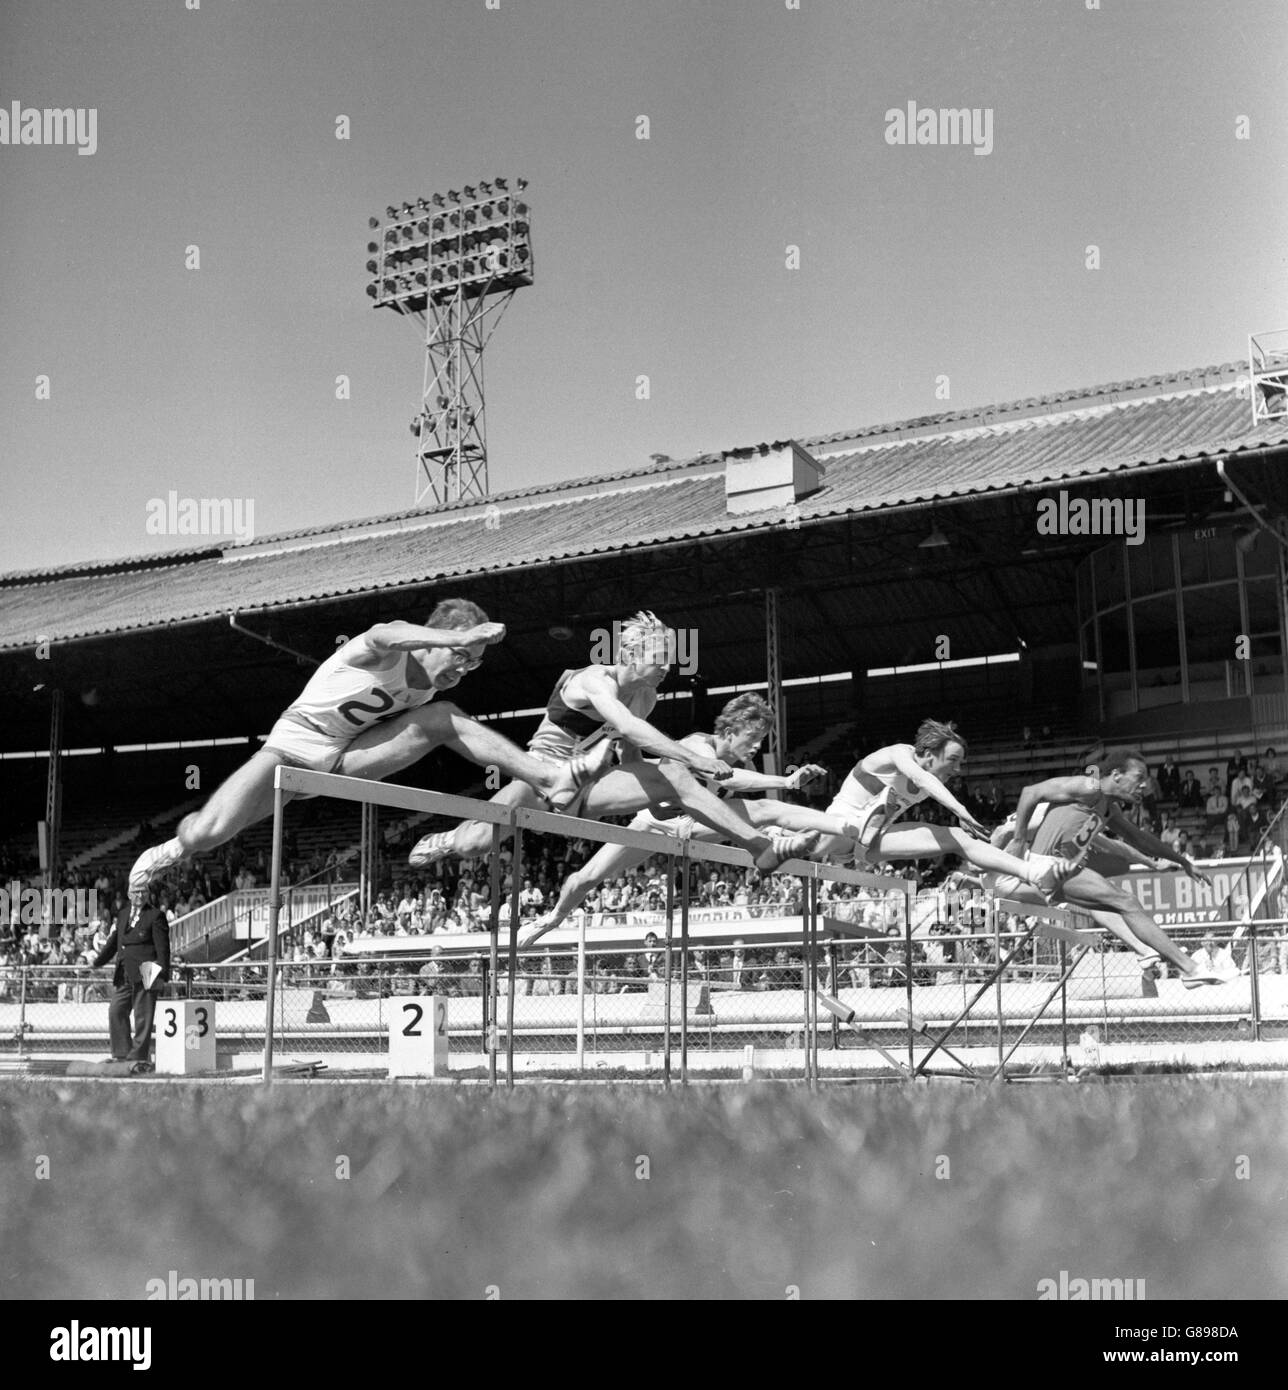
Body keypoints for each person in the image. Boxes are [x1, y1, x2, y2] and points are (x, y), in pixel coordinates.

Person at [126, 599, 604, 895]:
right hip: (291, 747)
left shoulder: (431, 689)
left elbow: (427, 717)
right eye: (460, 657)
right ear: (434, 639)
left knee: (440, 718)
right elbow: (386, 631)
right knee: (206, 834)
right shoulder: (384, 649)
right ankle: (173, 846)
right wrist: (460, 635)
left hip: (344, 758)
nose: (462, 669)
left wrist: (461, 649)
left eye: (474, 664)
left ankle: (548, 775)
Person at [409, 613, 816, 877]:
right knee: (475, 843)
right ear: (632, 653)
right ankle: (447, 840)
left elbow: (630, 751)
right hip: (545, 774)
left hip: (594, 782)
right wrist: (695, 758)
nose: (668, 668)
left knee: (674, 773)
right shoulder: (593, 680)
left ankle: (760, 846)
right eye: (661, 658)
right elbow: (625, 725)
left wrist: (658, 795)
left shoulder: (646, 696)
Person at [993, 750, 1235, 988]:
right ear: (1117, 775)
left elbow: (1139, 839)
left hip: (1059, 871)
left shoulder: (1108, 809)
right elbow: (1030, 792)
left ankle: (1161, 958)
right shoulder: (1089, 787)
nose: (1144, 786)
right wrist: (1018, 839)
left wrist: (1183, 861)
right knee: (1125, 900)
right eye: (1139, 778)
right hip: (1043, 866)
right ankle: (1187, 968)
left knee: (1119, 904)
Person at [807, 720, 1072, 895]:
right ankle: (780, 840)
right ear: (930, 752)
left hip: (871, 843)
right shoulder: (900, 754)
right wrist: (961, 810)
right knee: (812, 848)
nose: (957, 769)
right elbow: (922, 778)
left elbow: (926, 782)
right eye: (953, 760)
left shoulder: (929, 780)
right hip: (841, 826)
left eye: (961, 763)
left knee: (956, 836)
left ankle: (1032, 872)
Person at [92, 891, 171, 1068]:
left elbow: (163, 948)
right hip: (124, 973)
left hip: (147, 971)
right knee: (116, 1010)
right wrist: (97, 962)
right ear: (128, 894)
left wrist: (163, 973)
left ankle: (138, 1057)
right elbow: (113, 943)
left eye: (144, 892)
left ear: (149, 894)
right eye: (136, 892)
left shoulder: (156, 915)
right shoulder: (123, 914)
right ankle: (121, 1055)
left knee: (143, 1017)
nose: (140, 895)